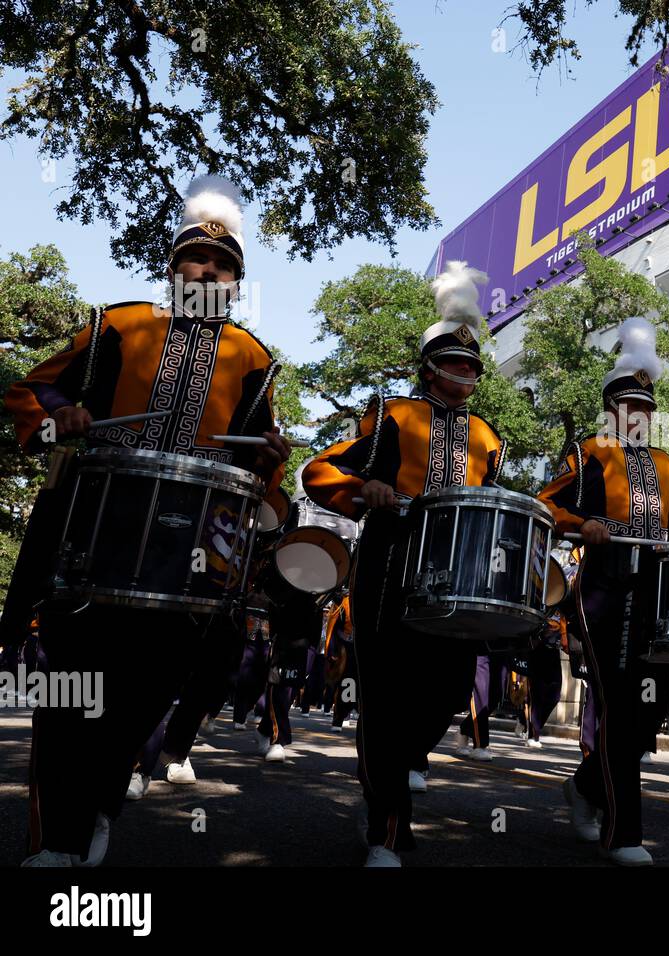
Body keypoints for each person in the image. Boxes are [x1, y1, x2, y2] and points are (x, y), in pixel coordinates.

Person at [8, 175, 290, 866]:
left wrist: (273, 457)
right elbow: (28, 390)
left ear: (233, 282)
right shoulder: (119, 324)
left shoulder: (254, 358)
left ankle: (101, 798)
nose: (208, 270)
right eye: (197, 259)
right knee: (69, 687)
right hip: (94, 529)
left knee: (146, 695)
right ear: (174, 270)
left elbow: (257, 461)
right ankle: (56, 840)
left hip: (190, 553)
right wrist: (59, 417)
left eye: (223, 266)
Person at [302, 261, 504, 867]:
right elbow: (320, 471)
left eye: (471, 365)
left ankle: (392, 769)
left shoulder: (489, 437)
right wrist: (368, 488)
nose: (465, 373)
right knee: (386, 700)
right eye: (455, 362)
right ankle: (386, 830)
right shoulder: (393, 414)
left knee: (446, 692)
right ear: (432, 367)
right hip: (389, 569)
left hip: (455, 582)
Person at [537, 316, 669, 866]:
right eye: (630, 407)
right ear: (612, 410)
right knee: (620, 707)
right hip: (604, 588)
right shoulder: (590, 454)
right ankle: (623, 832)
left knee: (647, 713)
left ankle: (583, 787)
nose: (640, 416)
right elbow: (545, 504)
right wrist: (583, 524)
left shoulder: (668, 464)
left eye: (647, 409)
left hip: (653, 594)